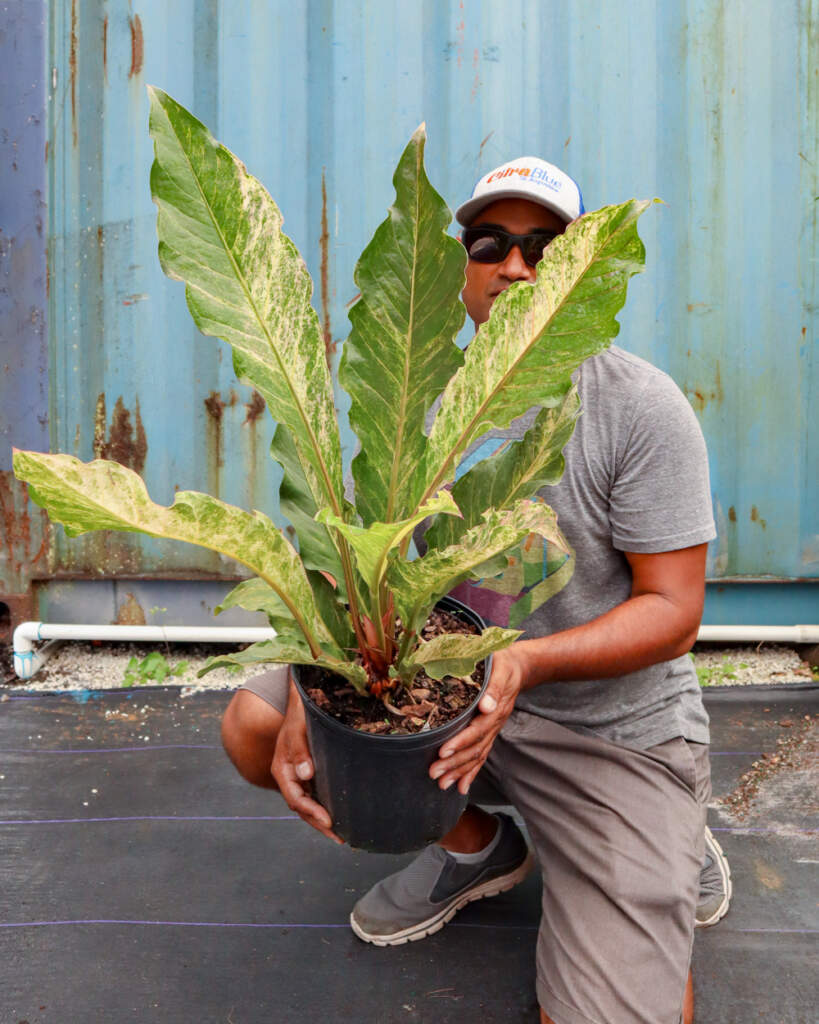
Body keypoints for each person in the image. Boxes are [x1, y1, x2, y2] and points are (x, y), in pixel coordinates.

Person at [220, 157, 731, 1024]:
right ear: (462, 268)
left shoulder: (641, 408)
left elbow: (674, 613)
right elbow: (363, 563)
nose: (514, 265)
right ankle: (479, 847)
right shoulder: (421, 403)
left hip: (608, 733)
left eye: (544, 246)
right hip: (454, 705)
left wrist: (524, 666)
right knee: (255, 725)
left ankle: (667, 844)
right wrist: (321, 674)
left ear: (580, 268)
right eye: (489, 243)